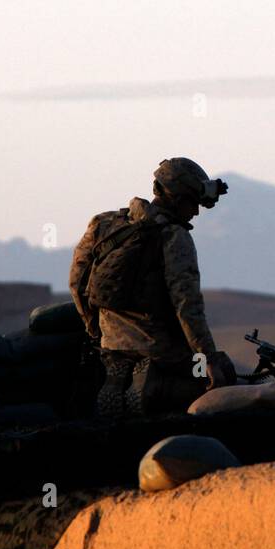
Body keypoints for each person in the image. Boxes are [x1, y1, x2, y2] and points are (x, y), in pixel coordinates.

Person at [70, 157, 236, 419]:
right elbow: (187, 304)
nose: (195, 212)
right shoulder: (174, 236)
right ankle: (154, 384)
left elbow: (77, 282)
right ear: (177, 198)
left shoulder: (104, 223)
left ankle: (118, 380)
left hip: (111, 345)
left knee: (112, 372)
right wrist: (209, 359)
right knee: (223, 373)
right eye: (192, 203)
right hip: (161, 350)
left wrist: (94, 330)